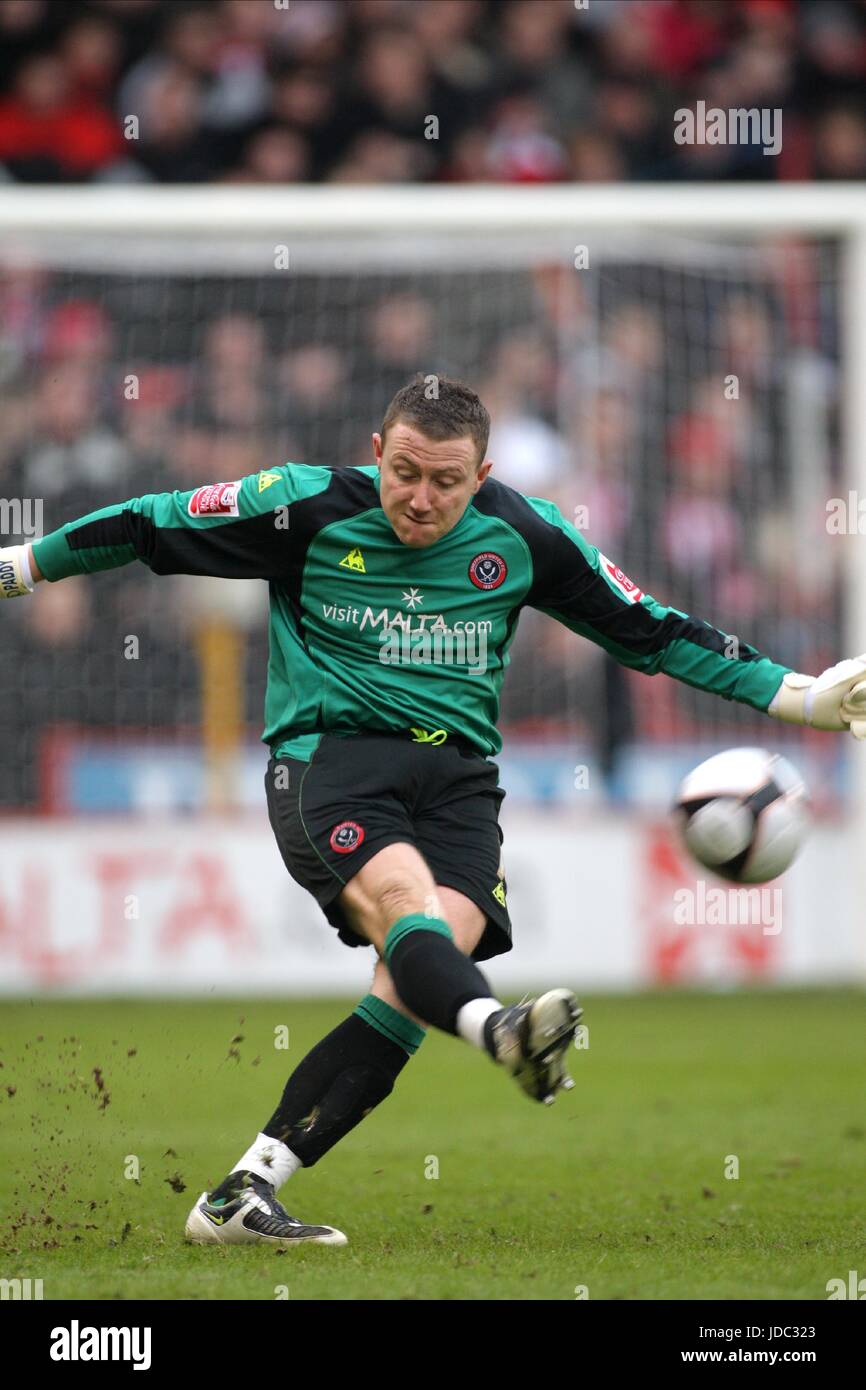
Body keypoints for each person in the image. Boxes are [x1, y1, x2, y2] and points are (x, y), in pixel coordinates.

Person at [3, 375, 865, 1249]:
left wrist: (800, 697)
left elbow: (651, 630)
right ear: (376, 452)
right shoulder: (299, 506)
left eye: (447, 481)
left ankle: (241, 1195)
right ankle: (500, 1032)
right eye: (405, 472)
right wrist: (16, 568)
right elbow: (148, 523)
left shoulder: (527, 535)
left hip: (458, 784)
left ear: (482, 472)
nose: (421, 498)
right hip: (331, 764)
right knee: (409, 915)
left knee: (414, 981)